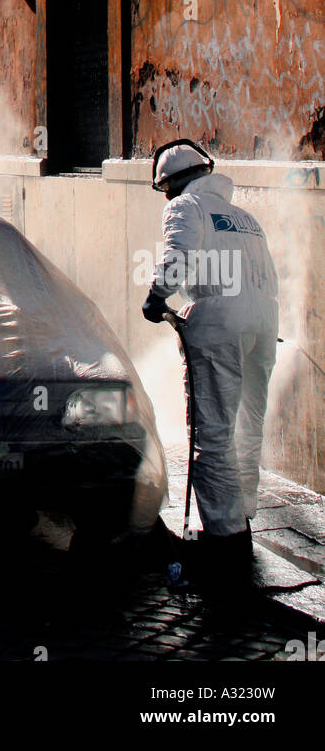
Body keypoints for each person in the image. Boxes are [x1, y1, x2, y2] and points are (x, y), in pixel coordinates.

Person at [142, 139, 279, 590]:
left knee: (213, 433)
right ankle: (243, 518)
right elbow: (266, 275)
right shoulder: (245, 217)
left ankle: (224, 539)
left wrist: (157, 295)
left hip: (221, 320)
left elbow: (178, 255)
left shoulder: (187, 206)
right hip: (264, 319)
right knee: (247, 425)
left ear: (173, 184)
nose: (167, 198)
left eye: (165, 190)